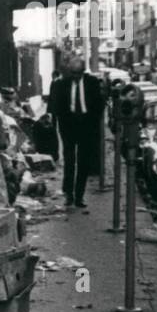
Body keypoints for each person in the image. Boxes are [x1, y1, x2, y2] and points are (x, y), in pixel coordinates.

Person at [47, 54, 104, 210]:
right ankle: (69, 195)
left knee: (84, 161)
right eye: (73, 74)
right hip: (69, 126)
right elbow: (56, 105)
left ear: (83, 72)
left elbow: (99, 105)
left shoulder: (92, 83)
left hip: (86, 126)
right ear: (69, 72)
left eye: (79, 74)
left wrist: (93, 124)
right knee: (70, 160)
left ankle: (79, 196)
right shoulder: (62, 84)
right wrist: (58, 122)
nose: (76, 77)